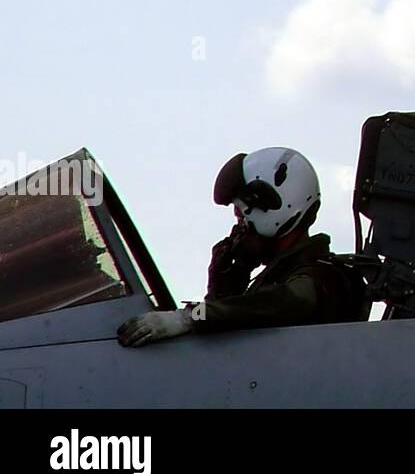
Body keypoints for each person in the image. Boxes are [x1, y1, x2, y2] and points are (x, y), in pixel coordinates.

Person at [117, 148, 364, 348]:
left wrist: (190, 317)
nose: (238, 232)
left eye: (242, 219)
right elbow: (236, 328)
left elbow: (277, 305)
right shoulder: (278, 279)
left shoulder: (324, 278)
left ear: (273, 211)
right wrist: (224, 289)